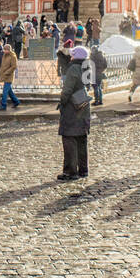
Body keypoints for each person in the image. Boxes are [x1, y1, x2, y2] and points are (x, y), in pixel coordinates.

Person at [57, 46, 91, 180]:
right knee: (81, 139)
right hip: (83, 106)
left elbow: (67, 90)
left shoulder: (73, 69)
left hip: (72, 108)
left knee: (69, 138)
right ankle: (83, 170)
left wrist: (62, 102)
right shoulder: (86, 67)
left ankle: (70, 171)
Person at [0, 44, 20, 109]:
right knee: (9, 91)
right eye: (4, 49)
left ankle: (3, 105)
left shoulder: (13, 56)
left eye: (5, 50)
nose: (4, 51)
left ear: (8, 50)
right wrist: (0, 71)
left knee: (5, 91)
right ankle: (16, 101)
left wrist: (7, 72)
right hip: (4, 74)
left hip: (9, 76)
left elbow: (14, 66)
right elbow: (3, 65)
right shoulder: (5, 55)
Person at [90, 39, 107, 107]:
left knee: (96, 87)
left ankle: (96, 100)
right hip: (100, 73)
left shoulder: (93, 57)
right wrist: (101, 70)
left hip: (94, 73)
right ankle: (100, 100)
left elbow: (90, 65)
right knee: (99, 87)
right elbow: (105, 65)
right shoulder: (102, 56)